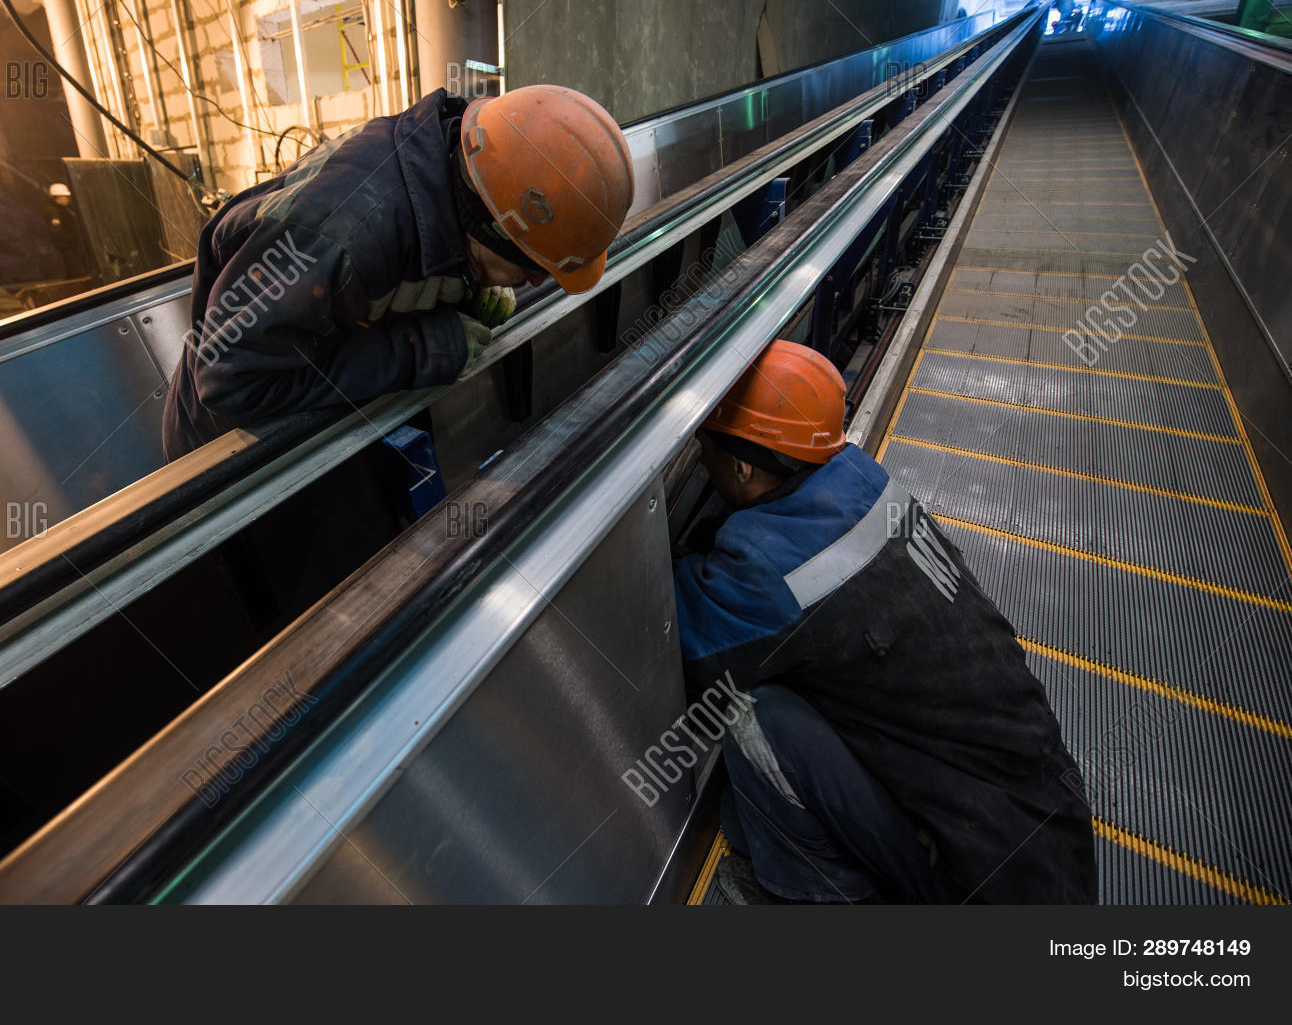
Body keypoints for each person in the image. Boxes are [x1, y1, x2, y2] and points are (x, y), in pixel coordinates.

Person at [673, 341, 1097, 904]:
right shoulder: (861, 476)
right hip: (1045, 828)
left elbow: (691, 649)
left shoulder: (771, 571)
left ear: (743, 465)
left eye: (704, 447)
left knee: (756, 717)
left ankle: (821, 897)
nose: (700, 460)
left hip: (976, 879)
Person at [162, 84, 634, 461]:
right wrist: (421, 349)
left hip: (315, 417)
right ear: (490, 227)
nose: (535, 284)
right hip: (230, 452)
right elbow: (233, 383)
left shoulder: (461, 164)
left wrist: (466, 287)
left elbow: (420, 248)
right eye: (534, 266)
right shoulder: (334, 236)